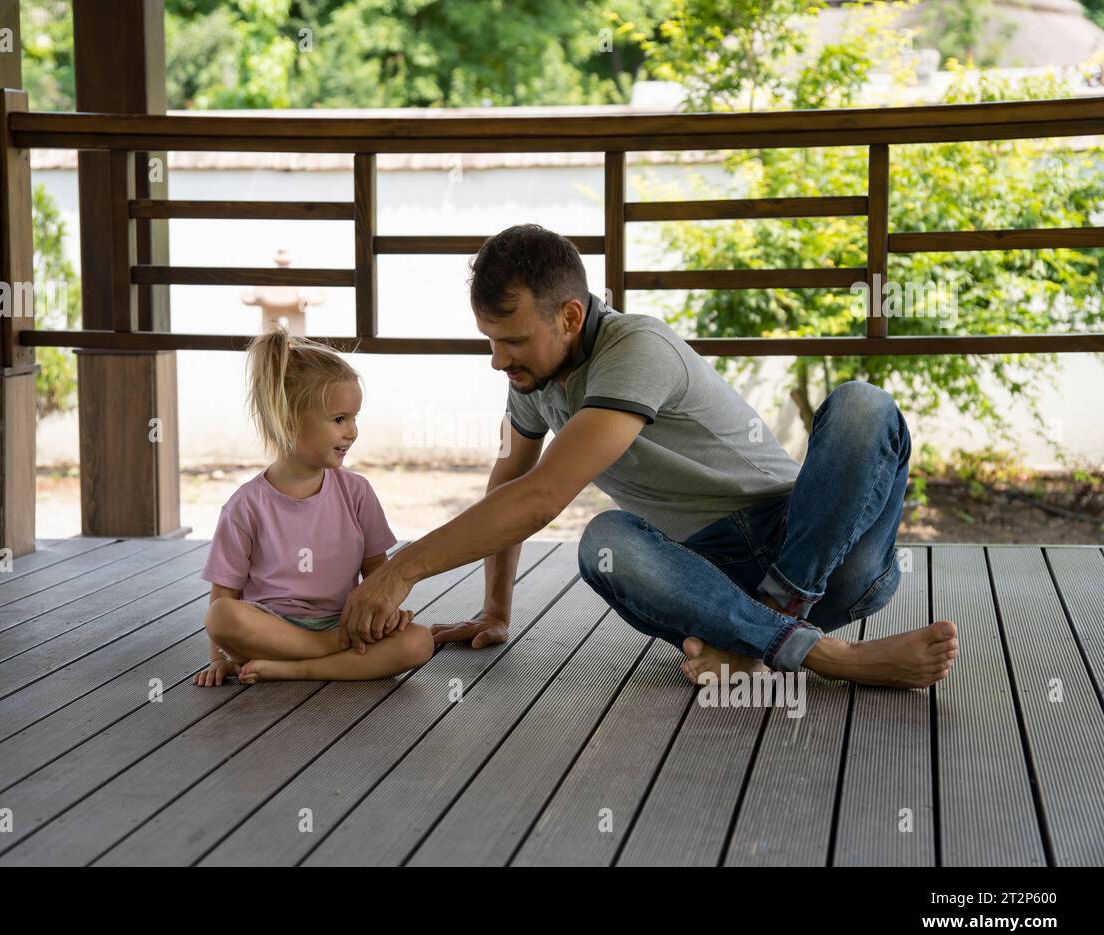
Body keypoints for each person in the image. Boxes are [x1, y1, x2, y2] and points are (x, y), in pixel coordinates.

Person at [345, 224, 958, 689]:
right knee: (602, 541)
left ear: (570, 316)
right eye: (490, 342)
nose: (498, 360)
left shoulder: (638, 348)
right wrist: (495, 610)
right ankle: (804, 647)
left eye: (512, 341)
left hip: (818, 552)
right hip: (708, 579)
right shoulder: (532, 381)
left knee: (862, 405)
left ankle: (778, 630)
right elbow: (509, 479)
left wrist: (400, 570)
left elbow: (540, 497)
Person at [195, 325, 433, 685]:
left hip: (342, 624)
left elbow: (376, 573)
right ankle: (328, 654)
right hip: (272, 631)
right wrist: (220, 658)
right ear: (289, 422)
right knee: (221, 616)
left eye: (354, 418)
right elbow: (224, 594)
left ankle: (299, 668)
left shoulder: (357, 492)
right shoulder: (245, 506)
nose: (352, 431)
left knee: (419, 641)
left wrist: (386, 616)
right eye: (339, 420)